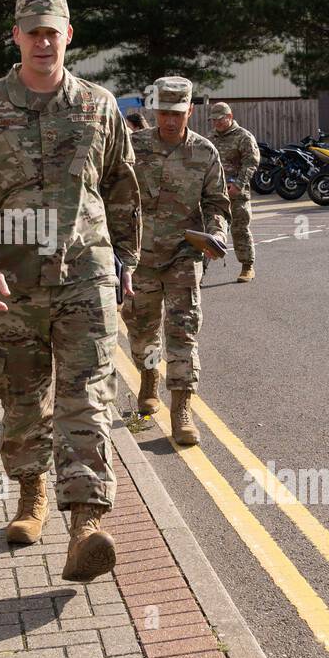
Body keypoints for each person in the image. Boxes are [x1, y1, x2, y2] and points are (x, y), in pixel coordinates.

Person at [0, 0, 140, 582]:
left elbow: (122, 188)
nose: (43, 41)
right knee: (21, 397)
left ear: (69, 35)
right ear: (16, 37)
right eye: (33, 32)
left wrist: (125, 262)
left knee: (87, 398)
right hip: (13, 283)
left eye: (53, 31)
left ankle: (86, 521)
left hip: (86, 273)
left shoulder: (98, 105)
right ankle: (30, 491)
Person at [126, 77, 230, 446]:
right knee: (141, 332)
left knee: (183, 330)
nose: (170, 120)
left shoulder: (204, 153)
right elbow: (113, 196)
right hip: (139, 258)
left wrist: (215, 233)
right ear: (155, 111)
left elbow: (217, 203)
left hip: (184, 255)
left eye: (178, 113)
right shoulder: (133, 147)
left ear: (190, 110)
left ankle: (181, 407)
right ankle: (149, 375)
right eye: (164, 112)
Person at [210, 102, 260, 282]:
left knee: (240, 229)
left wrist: (238, 185)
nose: (216, 123)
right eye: (213, 120)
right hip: (215, 192)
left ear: (229, 117)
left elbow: (251, 163)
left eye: (219, 119)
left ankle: (247, 267)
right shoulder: (211, 138)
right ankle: (201, 271)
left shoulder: (243, 136)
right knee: (209, 230)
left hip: (237, 192)